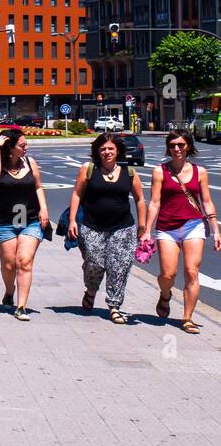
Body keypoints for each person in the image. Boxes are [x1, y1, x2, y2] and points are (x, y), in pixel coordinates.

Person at [145, 129, 220, 334]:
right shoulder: (160, 171)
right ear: (168, 148)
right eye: (173, 145)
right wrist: (146, 231)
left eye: (181, 145)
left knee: (191, 271)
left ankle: (187, 318)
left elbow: (206, 201)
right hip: (166, 226)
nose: (177, 149)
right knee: (168, 274)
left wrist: (216, 230)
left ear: (188, 146)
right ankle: (165, 294)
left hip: (193, 224)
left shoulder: (200, 172)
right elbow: (154, 202)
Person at [68, 133, 146, 324]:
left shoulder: (129, 172)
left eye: (110, 148)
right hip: (92, 226)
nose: (107, 152)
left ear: (117, 150)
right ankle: (91, 290)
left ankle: (114, 306)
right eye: (103, 149)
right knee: (94, 263)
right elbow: (77, 195)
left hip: (123, 228)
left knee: (119, 267)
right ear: (97, 151)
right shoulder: (89, 169)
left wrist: (142, 226)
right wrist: (72, 220)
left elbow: (140, 199)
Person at [0, 128, 50, 321]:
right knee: (8, 265)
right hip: (4, 221)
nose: (26, 148)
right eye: (22, 145)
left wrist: (44, 209)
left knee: (24, 260)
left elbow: (38, 186)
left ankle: (21, 306)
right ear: (11, 148)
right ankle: (9, 291)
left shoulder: (30, 163)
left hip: (30, 219)